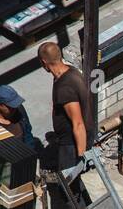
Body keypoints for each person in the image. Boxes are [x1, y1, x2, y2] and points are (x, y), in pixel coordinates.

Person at [36, 41, 95, 173]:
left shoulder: (65, 87)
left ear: (44, 62)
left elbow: (78, 123)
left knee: (70, 179)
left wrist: (81, 158)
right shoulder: (70, 71)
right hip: (76, 136)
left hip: (72, 142)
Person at [0, 83, 36, 149]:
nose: (15, 108)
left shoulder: (18, 108)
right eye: (10, 106)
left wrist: (31, 150)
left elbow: (27, 131)